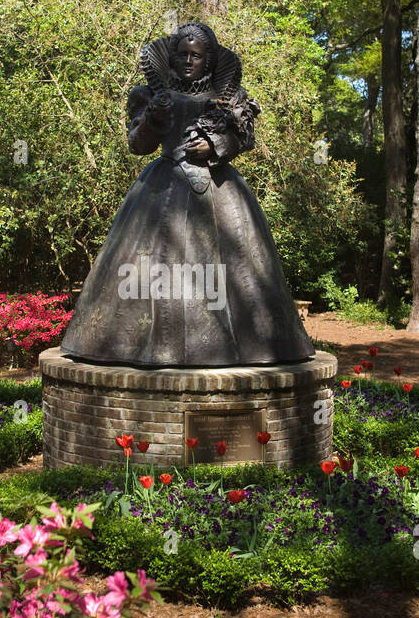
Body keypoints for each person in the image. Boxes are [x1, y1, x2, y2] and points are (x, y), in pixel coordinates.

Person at [59, 22, 315, 367]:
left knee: (236, 269)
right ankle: (136, 346)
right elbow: (138, 144)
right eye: (182, 55)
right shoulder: (150, 94)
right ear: (172, 58)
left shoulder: (228, 96)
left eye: (196, 55)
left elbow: (244, 138)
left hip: (220, 191)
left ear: (209, 60)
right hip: (161, 190)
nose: (189, 61)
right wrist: (153, 117)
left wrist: (214, 143)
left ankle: (247, 346)